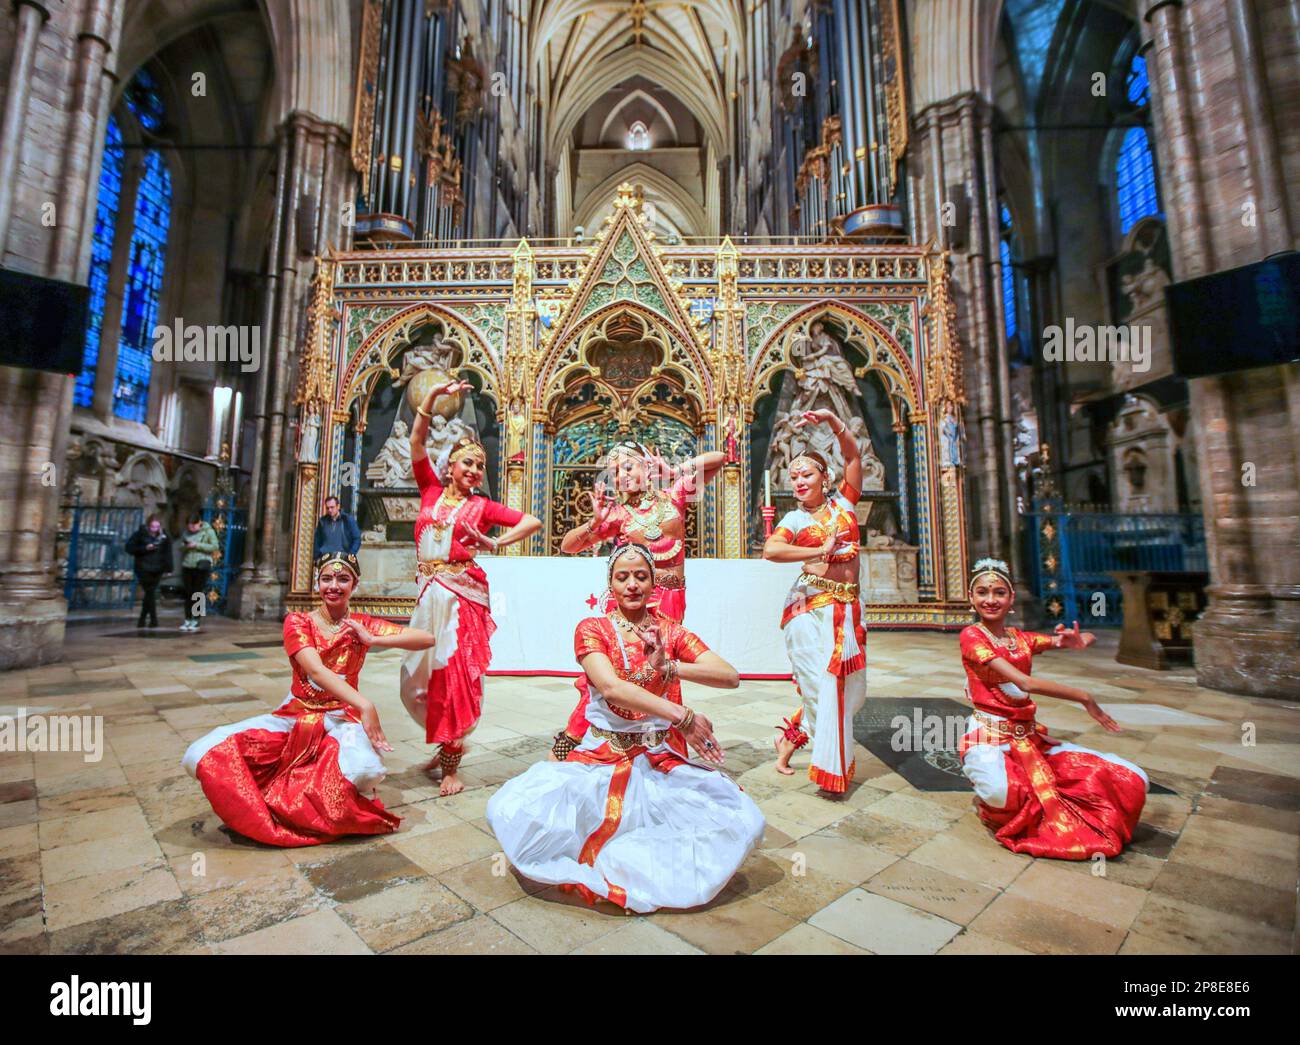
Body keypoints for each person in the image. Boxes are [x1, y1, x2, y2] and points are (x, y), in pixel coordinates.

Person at [486, 546, 765, 913]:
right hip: (600, 758)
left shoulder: (671, 632)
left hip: (656, 759)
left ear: (654, 584)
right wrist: (682, 716)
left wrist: (670, 668)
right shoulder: (593, 628)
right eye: (623, 577)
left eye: (641, 576)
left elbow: (729, 677)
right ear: (610, 584)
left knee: (745, 819)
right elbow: (612, 688)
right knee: (515, 811)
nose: (632, 584)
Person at [181, 552, 437, 846]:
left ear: (355, 584)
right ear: (317, 583)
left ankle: (338, 787)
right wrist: (365, 704)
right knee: (202, 752)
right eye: (327, 578)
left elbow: (426, 639)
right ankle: (273, 803)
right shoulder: (298, 622)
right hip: (295, 714)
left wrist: (373, 639)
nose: (334, 586)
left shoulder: (361, 625)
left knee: (366, 769)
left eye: (343, 579)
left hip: (341, 717)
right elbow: (315, 670)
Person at [402, 378, 542, 796]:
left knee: (454, 673)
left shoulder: (482, 507)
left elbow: (530, 521)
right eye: (468, 464)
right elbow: (416, 438)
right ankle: (444, 739)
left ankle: (451, 764)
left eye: (480, 466)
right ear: (449, 467)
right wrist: (432, 396)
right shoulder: (429, 488)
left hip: (463, 597)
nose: (475, 471)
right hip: (429, 593)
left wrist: (494, 542)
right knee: (418, 676)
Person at [958, 558, 1148, 859]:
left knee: (1132, 777)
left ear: (1011, 599)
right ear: (971, 598)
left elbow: (1069, 640)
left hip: (1027, 736)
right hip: (988, 735)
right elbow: (1024, 682)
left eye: (999, 593)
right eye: (982, 592)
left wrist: (1080, 639)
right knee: (999, 792)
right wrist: (1084, 696)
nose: (990, 600)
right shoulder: (972, 636)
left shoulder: (1020, 639)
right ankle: (990, 803)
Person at [549, 440, 726, 759]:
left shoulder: (676, 495)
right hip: (635, 602)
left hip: (672, 599)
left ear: (647, 468)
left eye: (628, 467)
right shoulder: (617, 514)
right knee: (621, 669)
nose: (622, 476)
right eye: (615, 472)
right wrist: (594, 524)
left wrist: (675, 471)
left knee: (664, 670)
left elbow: (719, 459)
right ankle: (577, 736)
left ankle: (664, 746)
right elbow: (568, 545)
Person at [763, 408, 867, 795]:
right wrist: (813, 550)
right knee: (823, 689)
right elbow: (772, 551)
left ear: (826, 477)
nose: (799, 481)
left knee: (852, 694)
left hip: (849, 608)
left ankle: (788, 740)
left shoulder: (845, 504)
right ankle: (833, 773)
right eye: (793, 477)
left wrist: (833, 422)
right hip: (808, 608)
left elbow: (854, 457)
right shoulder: (794, 518)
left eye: (807, 474)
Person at [125, 514, 172, 629]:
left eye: (156, 527)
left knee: (150, 593)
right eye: (152, 527)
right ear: (148, 525)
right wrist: (145, 548)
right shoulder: (140, 535)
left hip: (158, 568)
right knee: (150, 592)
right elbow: (129, 548)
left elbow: (168, 553)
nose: (154, 529)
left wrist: (169, 568)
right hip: (143, 567)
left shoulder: (164, 536)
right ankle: (153, 619)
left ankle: (142, 619)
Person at [179, 513, 219, 632]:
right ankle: (187, 619)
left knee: (198, 593)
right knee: (188, 593)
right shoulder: (186, 533)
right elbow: (181, 546)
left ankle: (196, 620)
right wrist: (186, 546)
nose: (191, 529)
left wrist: (197, 545)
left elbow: (214, 546)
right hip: (187, 565)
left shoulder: (208, 531)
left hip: (201, 565)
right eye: (189, 527)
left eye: (193, 526)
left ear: (199, 523)